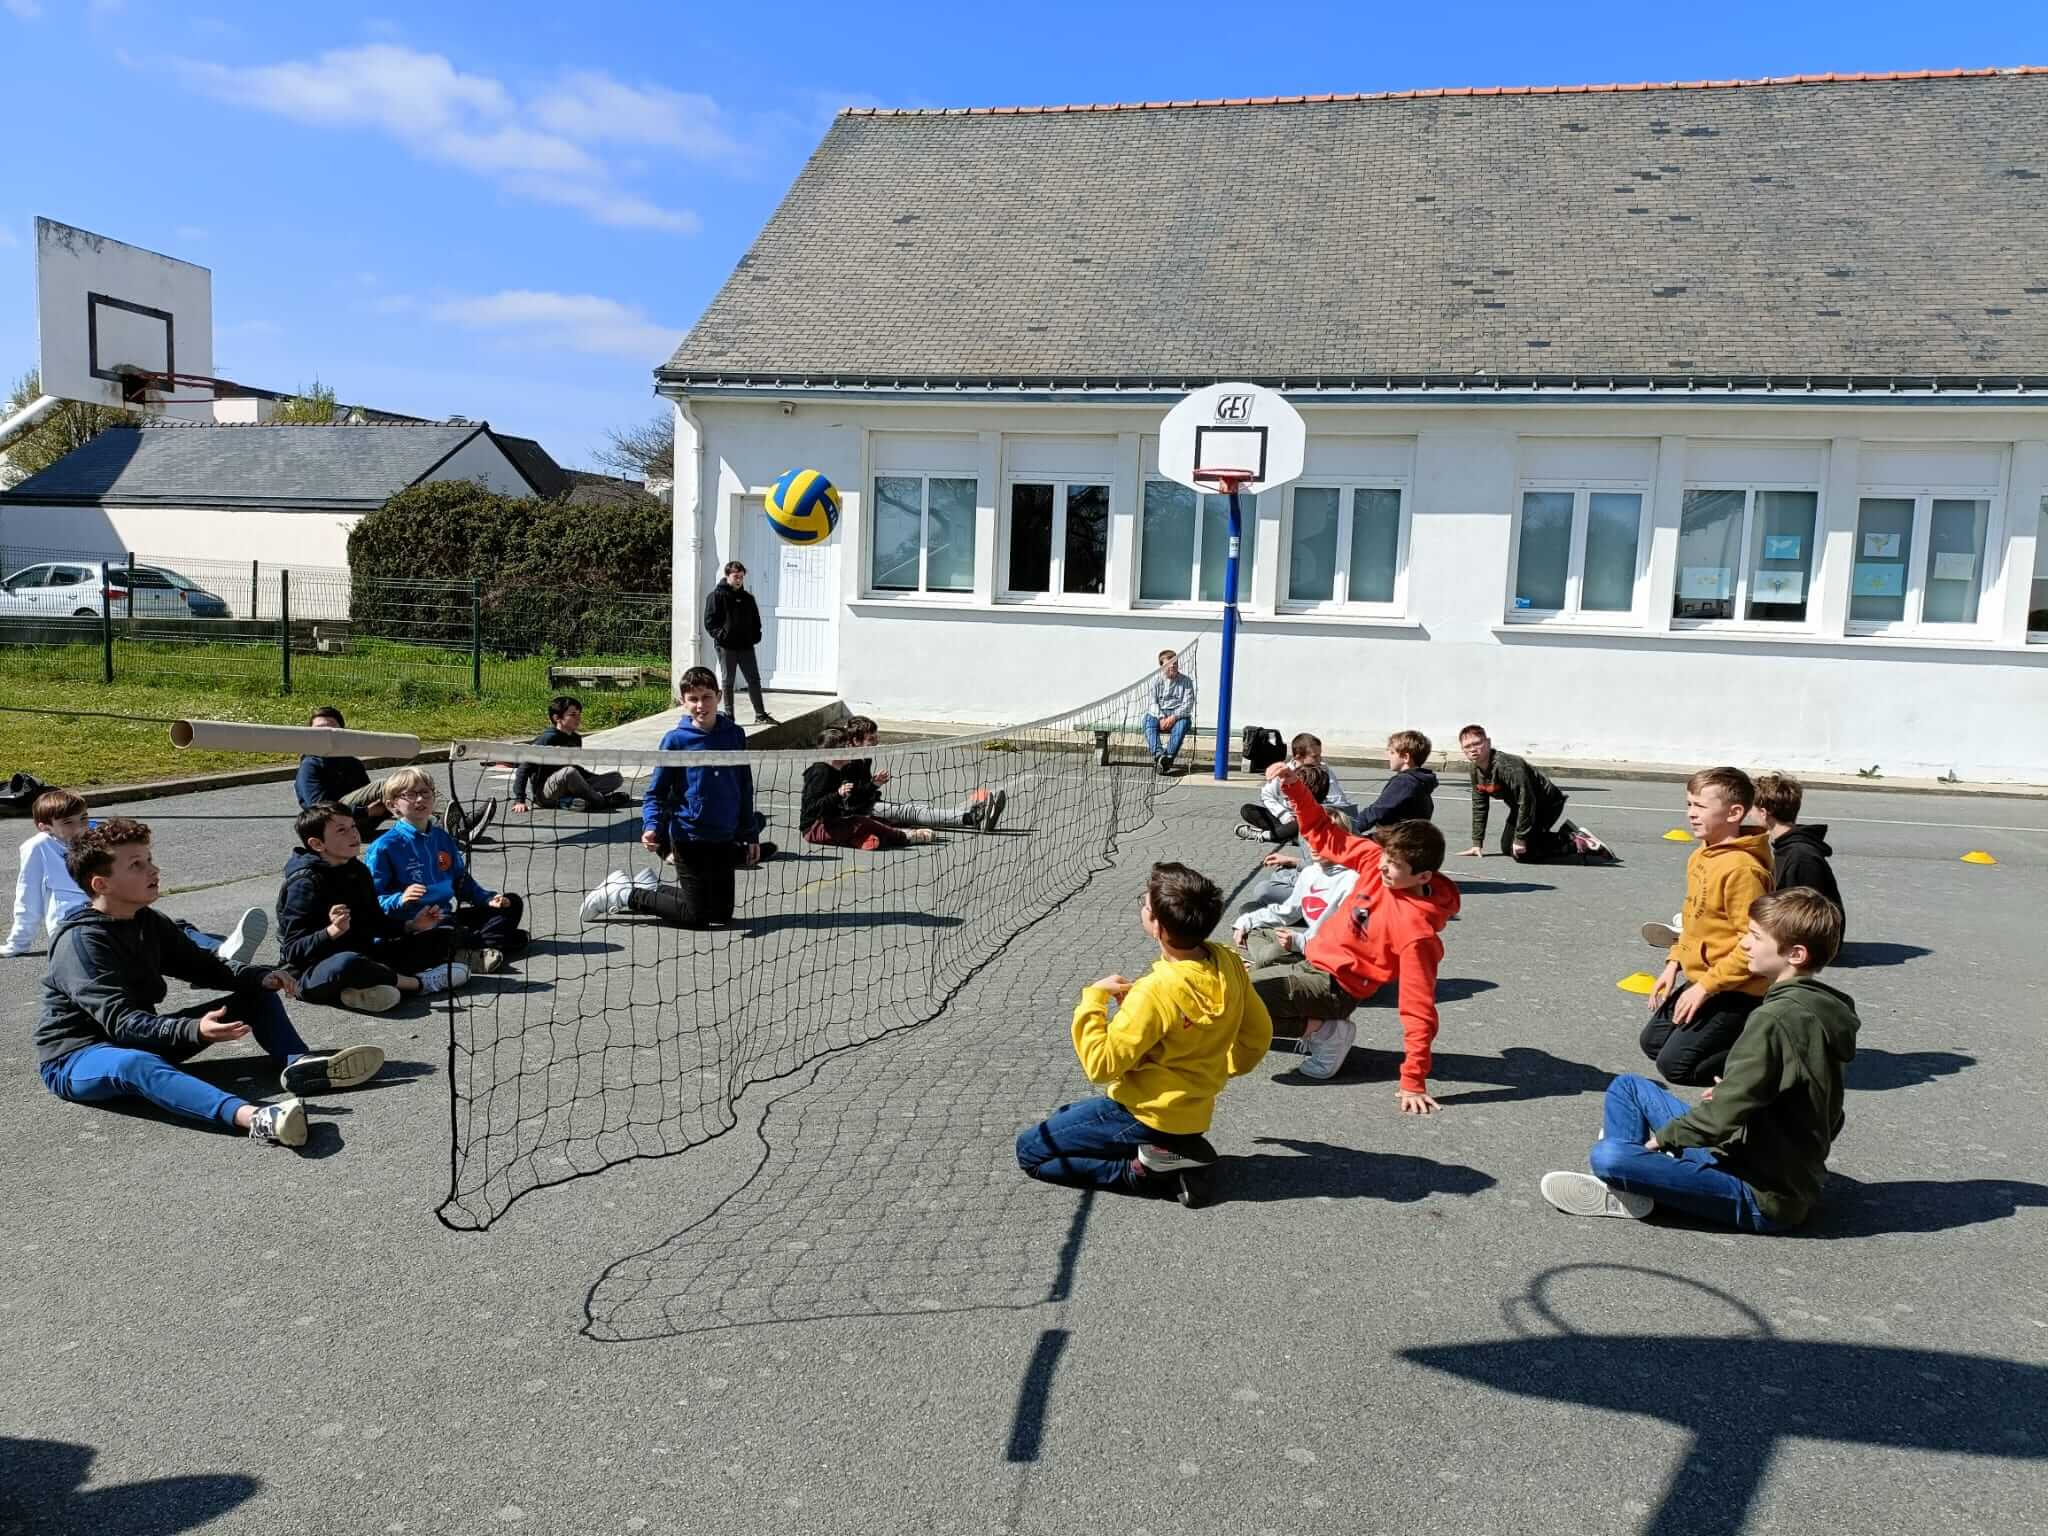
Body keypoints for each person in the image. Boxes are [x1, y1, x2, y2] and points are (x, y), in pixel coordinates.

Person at [35, 818, 387, 1150]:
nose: (153, 870)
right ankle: (257, 1118)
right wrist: (192, 1030)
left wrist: (259, 975)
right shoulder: (80, 942)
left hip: (136, 1039)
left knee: (256, 994)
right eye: (136, 865)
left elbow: (202, 966)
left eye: (149, 859)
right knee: (134, 1064)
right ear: (101, 884)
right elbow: (122, 1022)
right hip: (77, 1058)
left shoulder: (147, 921)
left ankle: (300, 1065)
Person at [1541, 889, 1858, 1231]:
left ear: (1795, 954)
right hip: (1755, 1158)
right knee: (1628, 1087)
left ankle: (1634, 1181)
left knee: (1610, 1158)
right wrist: (1739, 1094)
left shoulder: (1775, 1018)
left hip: (1762, 1196)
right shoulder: (1821, 1010)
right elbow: (1827, 1113)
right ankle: (1650, 1174)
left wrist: (1662, 1140)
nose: (1745, 944)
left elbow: (1721, 1120)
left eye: (1755, 937)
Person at [1015, 862, 1271, 1194]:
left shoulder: (1155, 991)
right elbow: (1259, 1035)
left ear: (1158, 926)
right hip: (1192, 1112)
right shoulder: (1228, 962)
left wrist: (1093, 999)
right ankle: (1171, 1149)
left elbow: (1101, 1065)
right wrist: (1218, 1069)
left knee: (1031, 1150)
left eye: (1145, 904)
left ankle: (1145, 1173)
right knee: (1068, 1113)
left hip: (1142, 1113)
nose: (1142, 907)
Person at [1251, 764, 1461, 1108]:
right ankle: (1320, 1028)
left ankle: (1327, 1033)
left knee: (1239, 1005)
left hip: (1337, 986)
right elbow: (1322, 833)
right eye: (1386, 857)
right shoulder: (1375, 860)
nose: (1382, 867)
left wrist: (1413, 1080)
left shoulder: (1415, 930)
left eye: (1394, 866)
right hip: (1312, 962)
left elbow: (1418, 1007)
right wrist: (1294, 788)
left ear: (1423, 875)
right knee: (1236, 990)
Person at [581, 667, 777, 929]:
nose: (700, 705)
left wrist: (750, 834)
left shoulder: (734, 734)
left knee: (720, 915)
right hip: (688, 837)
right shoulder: (675, 741)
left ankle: (649, 886)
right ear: (683, 701)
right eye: (693, 699)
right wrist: (652, 826)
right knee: (696, 917)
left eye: (706, 697)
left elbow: (743, 785)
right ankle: (626, 893)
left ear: (719, 696)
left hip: (723, 837)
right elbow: (656, 793)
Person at [4, 787, 265, 964]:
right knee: (152, 936)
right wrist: (18, 944)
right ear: (44, 827)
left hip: (113, 905)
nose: (80, 828)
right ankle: (217, 953)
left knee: (168, 926)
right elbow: (28, 899)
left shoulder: (94, 836)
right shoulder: (37, 848)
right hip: (75, 921)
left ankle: (219, 952)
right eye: (69, 823)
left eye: (83, 819)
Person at [1640, 767, 1775, 1086]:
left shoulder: (1743, 870)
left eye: (1700, 806)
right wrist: (1674, 963)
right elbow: (1694, 919)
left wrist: (1704, 987)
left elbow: (1754, 942)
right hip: (1707, 976)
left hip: (1738, 988)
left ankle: (1769, 1058)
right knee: (1653, 1044)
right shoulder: (1702, 855)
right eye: (1689, 805)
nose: (1691, 814)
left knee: (1677, 1068)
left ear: (1734, 812)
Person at [277, 802, 470, 1012]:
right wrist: (332, 931)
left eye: (353, 826)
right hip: (314, 969)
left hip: (366, 955)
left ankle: (367, 988)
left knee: (443, 936)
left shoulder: (357, 869)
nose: (353, 835)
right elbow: (292, 951)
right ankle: (420, 984)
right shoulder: (305, 883)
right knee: (347, 963)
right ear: (317, 844)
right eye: (341, 830)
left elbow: (376, 922)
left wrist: (411, 926)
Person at [365, 768, 528, 973]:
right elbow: (371, 901)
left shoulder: (441, 837)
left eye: (425, 792)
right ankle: (477, 946)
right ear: (392, 804)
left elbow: (461, 880)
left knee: (512, 903)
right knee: (439, 937)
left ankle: (470, 945)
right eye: (410, 794)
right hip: (413, 925)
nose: (419, 799)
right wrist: (400, 899)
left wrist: (487, 898)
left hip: (446, 917)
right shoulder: (384, 846)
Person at [296, 704, 494, 842]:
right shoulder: (310, 765)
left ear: (343, 732)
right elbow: (317, 809)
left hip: (361, 824)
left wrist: (390, 804)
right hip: (330, 827)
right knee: (387, 784)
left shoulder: (351, 762)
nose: (326, 734)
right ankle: (460, 823)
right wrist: (365, 812)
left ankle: (451, 827)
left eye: (332, 729)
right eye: (319, 729)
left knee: (411, 782)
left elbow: (370, 795)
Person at [1455, 725, 1610, 863]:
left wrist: (1521, 838)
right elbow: (1479, 806)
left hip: (1546, 804)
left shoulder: (1507, 765)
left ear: (1488, 743)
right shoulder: (1475, 770)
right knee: (1507, 848)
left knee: (1523, 852)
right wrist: (1477, 843)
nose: (1473, 749)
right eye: (1467, 746)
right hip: (1521, 808)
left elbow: (1527, 800)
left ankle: (1575, 840)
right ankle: (1564, 837)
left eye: (1477, 743)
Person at [838, 715, 1006, 832]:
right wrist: (873, 785)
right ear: (855, 741)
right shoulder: (845, 762)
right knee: (909, 813)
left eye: (877, 738)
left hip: (868, 803)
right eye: (871, 740)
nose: (876, 743)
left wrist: (872, 785)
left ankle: (970, 817)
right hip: (856, 812)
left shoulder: (863, 758)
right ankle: (972, 817)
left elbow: (861, 789)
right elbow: (850, 797)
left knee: (915, 809)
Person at [800, 726, 933, 849]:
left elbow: (856, 797)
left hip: (835, 822)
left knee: (875, 821)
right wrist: (837, 795)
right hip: (815, 829)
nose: (851, 749)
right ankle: (905, 837)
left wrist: (873, 785)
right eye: (847, 746)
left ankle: (861, 840)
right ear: (835, 752)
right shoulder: (821, 772)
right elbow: (812, 808)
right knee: (860, 823)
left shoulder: (841, 770)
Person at [1230, 842, 1358, 960]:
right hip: (1306, 943)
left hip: (1328, 957)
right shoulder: (1310, 872)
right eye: (1310, 838)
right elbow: (1288, 911)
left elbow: (1346, 936)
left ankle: (1264, 966)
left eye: (1322, 839)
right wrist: (1245, 922)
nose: (1312, 844)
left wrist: (1300, 943)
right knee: (1251, 928)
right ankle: (1270, 964)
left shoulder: (1351, 880)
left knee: (1269, 955)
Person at [509, 695, 628, 814]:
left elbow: (575, 767)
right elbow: (523, 769)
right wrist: (520, 800)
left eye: (579, 714)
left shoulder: (576, 739)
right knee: (569, 772)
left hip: (569, 787)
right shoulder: (546, 739)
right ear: (557, 718)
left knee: (616, 777)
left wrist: (593, 778)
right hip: (545, 794)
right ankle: (601, 801)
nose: (578, 718)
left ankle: (575, 800)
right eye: (573, 715)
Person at [1236, 738, 1356, 842]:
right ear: (1298, 757)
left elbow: (1339, 802)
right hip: (1292, 818)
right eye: (1315, 756)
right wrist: (1285, 816)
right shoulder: (1285, 771)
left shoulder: (1323, 771)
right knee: (1247, 810)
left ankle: (1268, 836)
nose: (1320, 759)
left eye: (1320, 755)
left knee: (1304, 821)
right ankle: (1292, 836)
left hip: (1316, 818)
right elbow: (1266, 795)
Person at [704, 561, 776, 726]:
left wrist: (754, 636)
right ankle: (730, 716)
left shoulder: (747, 598)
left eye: (741, 577)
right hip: (726, 647)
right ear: (727, 576)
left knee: (754, 680)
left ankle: (760, 715)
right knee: (728, 681)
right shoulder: (716, 596)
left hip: (745, 646)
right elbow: (710, 622)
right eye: (736, 576)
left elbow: (756, 621)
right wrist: (721, 636)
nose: (739, 580)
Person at [1352, 730, 1439, 833]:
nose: (1389, 756)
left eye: (1392, 752)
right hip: (1409, 838)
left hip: (1396, 841)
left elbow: (1377, 811)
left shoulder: (1405, 782)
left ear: (1406, 757)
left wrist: (1350, 828)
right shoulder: (1420, 781)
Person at [1142, 649, 1196, 776]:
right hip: (1159, 713)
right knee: (1147, 720)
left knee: (1182, 724)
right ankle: (1159, 755)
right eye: (1170, 663)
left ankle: (1168, 758)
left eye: (1175, 663)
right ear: (1162, 666)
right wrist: (1161, 718)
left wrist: (1173, 717)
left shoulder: (1186, 681)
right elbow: (1152, 703)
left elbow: (1188, 705)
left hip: (1179, 714)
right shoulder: (1155, 681)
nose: (1173, 666)